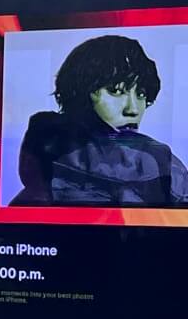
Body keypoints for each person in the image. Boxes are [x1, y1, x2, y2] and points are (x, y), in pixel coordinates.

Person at [11, 35, 188, 206]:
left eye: (141, 94)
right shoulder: (161, 164)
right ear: (80, 92)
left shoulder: (163, 165)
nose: (133, 109)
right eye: (116, 91)